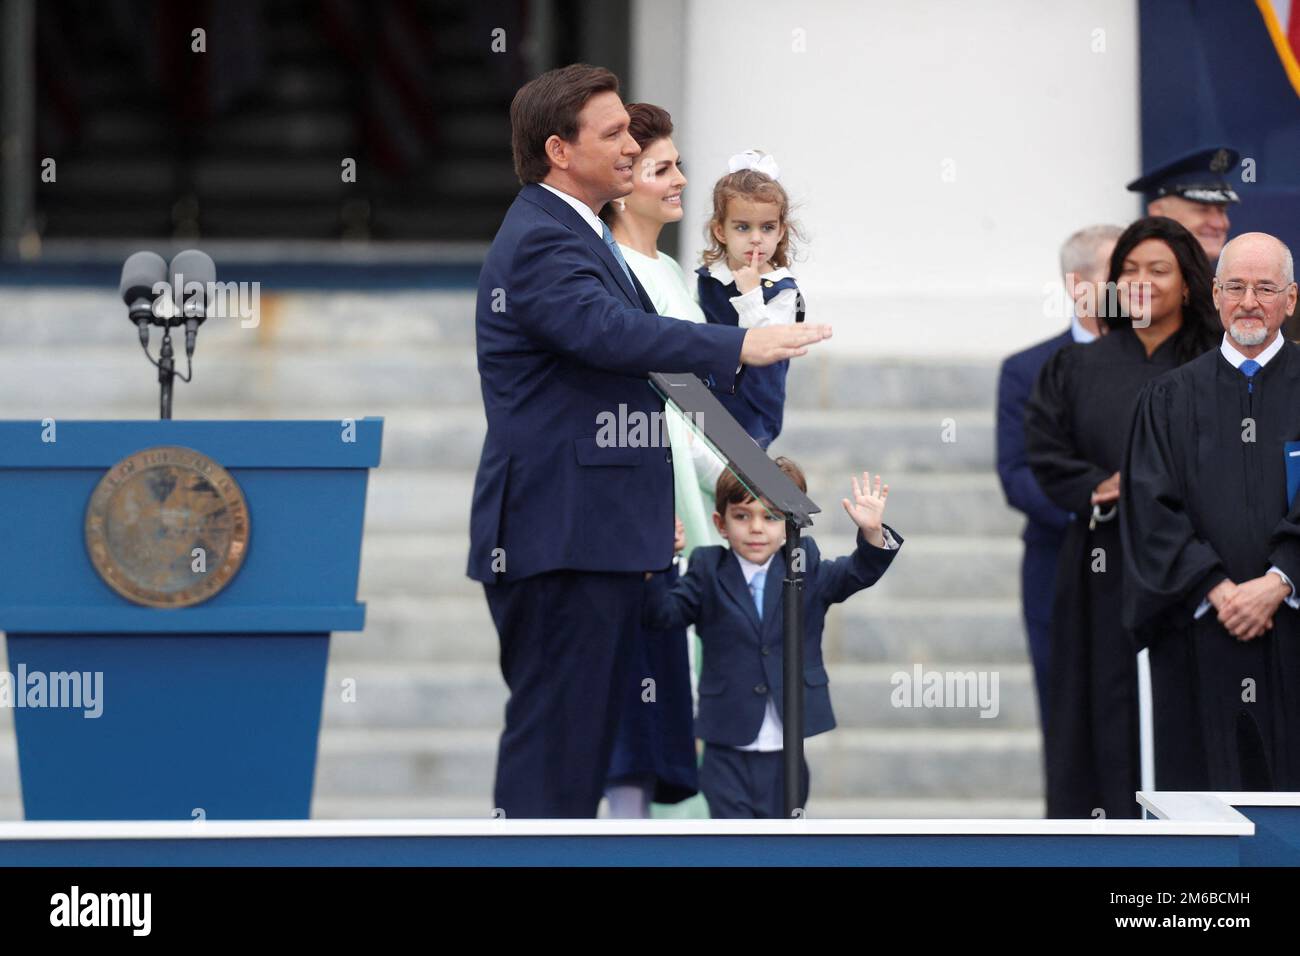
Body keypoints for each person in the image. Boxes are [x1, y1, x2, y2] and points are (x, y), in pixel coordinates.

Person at [465, 64, 832, 818]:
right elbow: (609, 335)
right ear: (559, 150)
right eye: (615, 134)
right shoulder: (542, 236)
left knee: (584, 746)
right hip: (557, 535)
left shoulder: (578, 231)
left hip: (593, 533)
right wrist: (740, 347)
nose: (632, 145)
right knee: (557, 750)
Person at [1024, 217, 1220, 818]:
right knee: (1101, 704)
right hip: (1102, 568)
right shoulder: (1077, 367)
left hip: (1197, 570)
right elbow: (1045, 450)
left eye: (1157, 270)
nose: (1140, 282)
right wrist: (1098, 485)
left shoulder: (1216, 364)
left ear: (1187, 283)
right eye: (1128, 270)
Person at [1121, 232, 1300, 792]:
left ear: (1291, 300)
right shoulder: (1169, 398)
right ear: (1216, 295)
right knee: (1207, 807)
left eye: (1265, 288)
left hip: (1295, 626)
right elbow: (1150, 510)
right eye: (1236, 287)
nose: (1250, 301)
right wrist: (1218, 588)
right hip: (1202, 631)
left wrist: (1281, 579)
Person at [643, 458, 902, 818]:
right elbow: (661, 616)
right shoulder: (706, 569)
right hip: (725, 746)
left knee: (784, 842)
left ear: (789, 525)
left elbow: (855, 573)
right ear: (720, 523)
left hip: (788, 745)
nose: (756, 529)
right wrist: (659, 562)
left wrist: (873, 534)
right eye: (742, 516)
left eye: (770, 517)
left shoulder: (805, 564)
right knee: (734, 846)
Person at [598, 102, 723, 819]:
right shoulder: (607, 272)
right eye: (662, 168)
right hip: (644, 514)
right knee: (645, 690)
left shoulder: (673, 271)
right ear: (623, 183)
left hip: (693, 508)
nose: (680, 179)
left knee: (699, 681)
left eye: (677, 164)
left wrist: (752, 485)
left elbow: (698, 411)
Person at [996, 224, 1122, 729]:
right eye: (1120, 272)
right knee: (1067, 720)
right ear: (1078, 285)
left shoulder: (1165, 363)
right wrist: (1093, 505)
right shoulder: (1027, 369)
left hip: (1144, 570)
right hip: (1060, 564)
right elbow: (1017, 474)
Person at [695, 150, 805, 450]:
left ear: (780, 231)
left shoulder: (782, 289)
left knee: (742, 478)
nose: (756, 238)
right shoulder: (710, 277)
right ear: (721, 230)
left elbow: (770, 344)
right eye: (743, 227)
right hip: (709, 401)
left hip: (756, 407)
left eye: (767, 228)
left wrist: (751, 293)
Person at [1127, 146, 1240, 262]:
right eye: (1203, 209)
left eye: (1222, 210)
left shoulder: (1219, 278)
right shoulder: (1128, 277)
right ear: (1158, 212)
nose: (1218, 224)